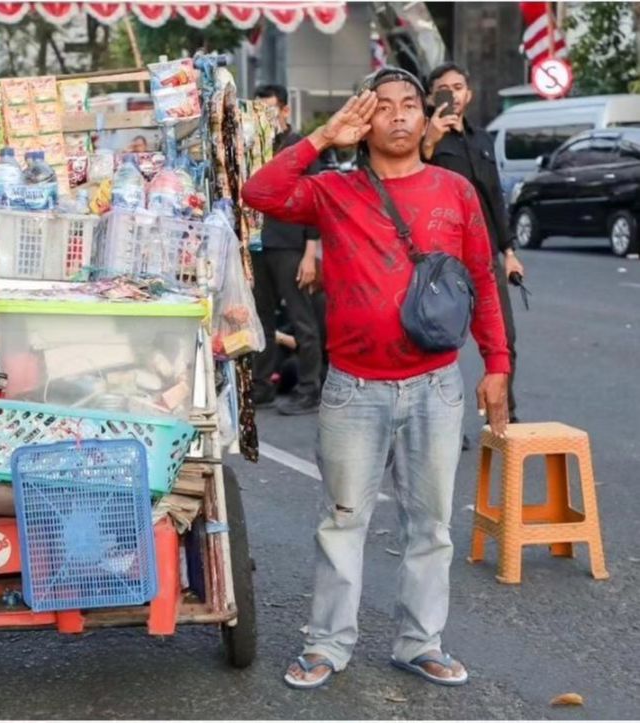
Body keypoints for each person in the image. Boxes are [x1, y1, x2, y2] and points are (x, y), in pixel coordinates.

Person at [242, 67, 510, 690]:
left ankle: (421, 642)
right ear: (364, 124)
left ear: (423, 120)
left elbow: (481, 279)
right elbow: (261, 193)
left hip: (436, 386)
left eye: (408, 105)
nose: (395, 115)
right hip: (353, 389)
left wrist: (497, 364)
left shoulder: (453, 191)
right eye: (381, 106)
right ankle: (327, 645)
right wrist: (320, 138)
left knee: (430, 526)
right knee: (342, 522)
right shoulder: (334, 191)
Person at [422, 61, 522, 425]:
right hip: (441, 259)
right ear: (431, 97)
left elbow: (495, 197)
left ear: (469, 93)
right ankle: (440, 423)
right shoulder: (422, 136)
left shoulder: (482, 139)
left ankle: (504, 415)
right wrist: (430, 138)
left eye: (459, 86)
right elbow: (411, 180)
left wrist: (509, 252)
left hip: (484, 254)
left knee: (503, 340)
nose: (454, 93)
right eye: (444, 88)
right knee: (440, 343)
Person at [250, 84, 335, 416]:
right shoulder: (253, 145)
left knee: (303, 319)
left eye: (270, 110)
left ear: (285, 111)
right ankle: (262, 386)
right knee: (261, 319)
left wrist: (310, 252)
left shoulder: (301, 147)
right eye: (259, 112)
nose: (265, 118)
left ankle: (309, 388)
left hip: (292, 244)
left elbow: (315, 203)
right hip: (259, 242)